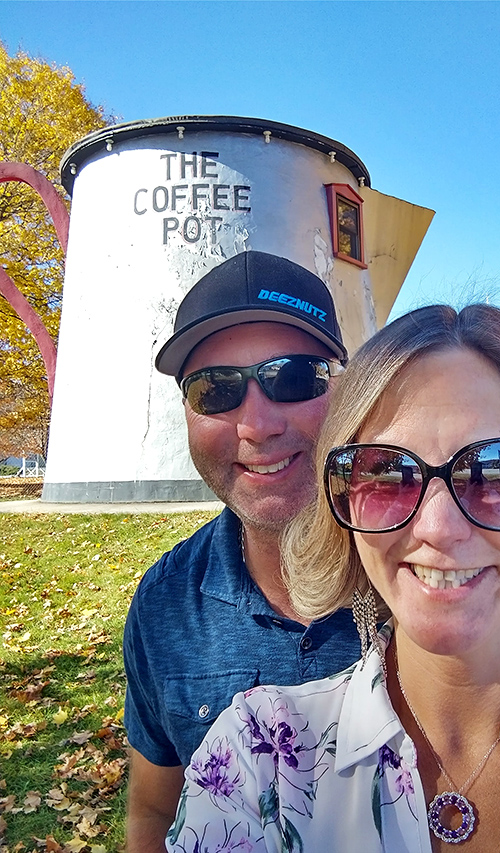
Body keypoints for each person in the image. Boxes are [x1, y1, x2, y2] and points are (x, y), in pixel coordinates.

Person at [167, 304, 500, 853]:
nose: (438, 529)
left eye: (499, 470)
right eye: (386, 472)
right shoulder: (258, 761)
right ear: (342, 503)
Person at [123, 251, 362, 852]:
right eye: (215, 390)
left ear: (348, 388)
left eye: (295, 378)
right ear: (185, 411)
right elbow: (153, 811)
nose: (256, 425)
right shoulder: (165, 607)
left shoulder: (437, 569)